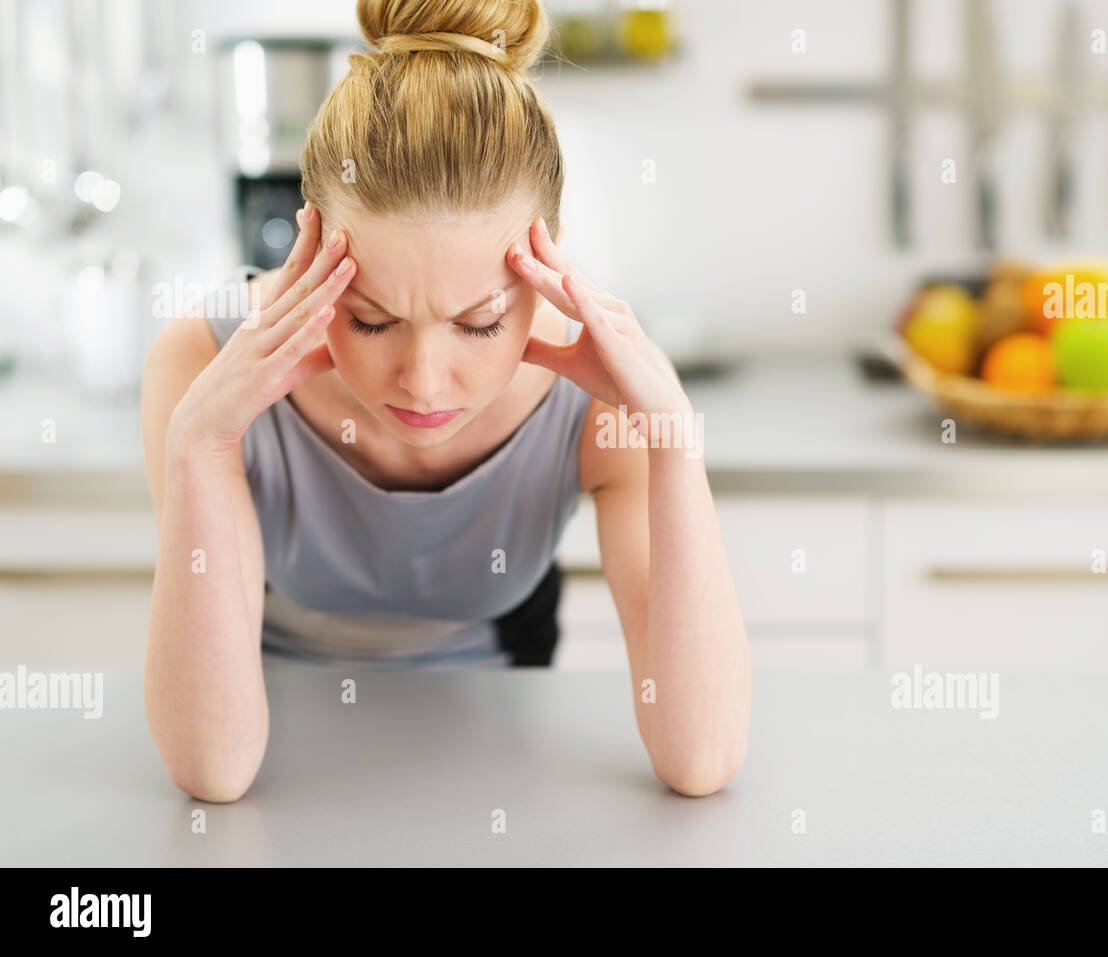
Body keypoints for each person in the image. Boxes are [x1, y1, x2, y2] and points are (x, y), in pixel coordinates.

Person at [139, 0, 750, 803]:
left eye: (480, 322)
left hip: (501, 761)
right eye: (372, 319)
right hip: (277, 741)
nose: (423, 381)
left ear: (548, 263)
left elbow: (699, 757)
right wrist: (201, 446)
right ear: (311, 250)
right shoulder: (204, 365)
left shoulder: (600, 401)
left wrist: (674, 442)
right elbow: (213, 771)